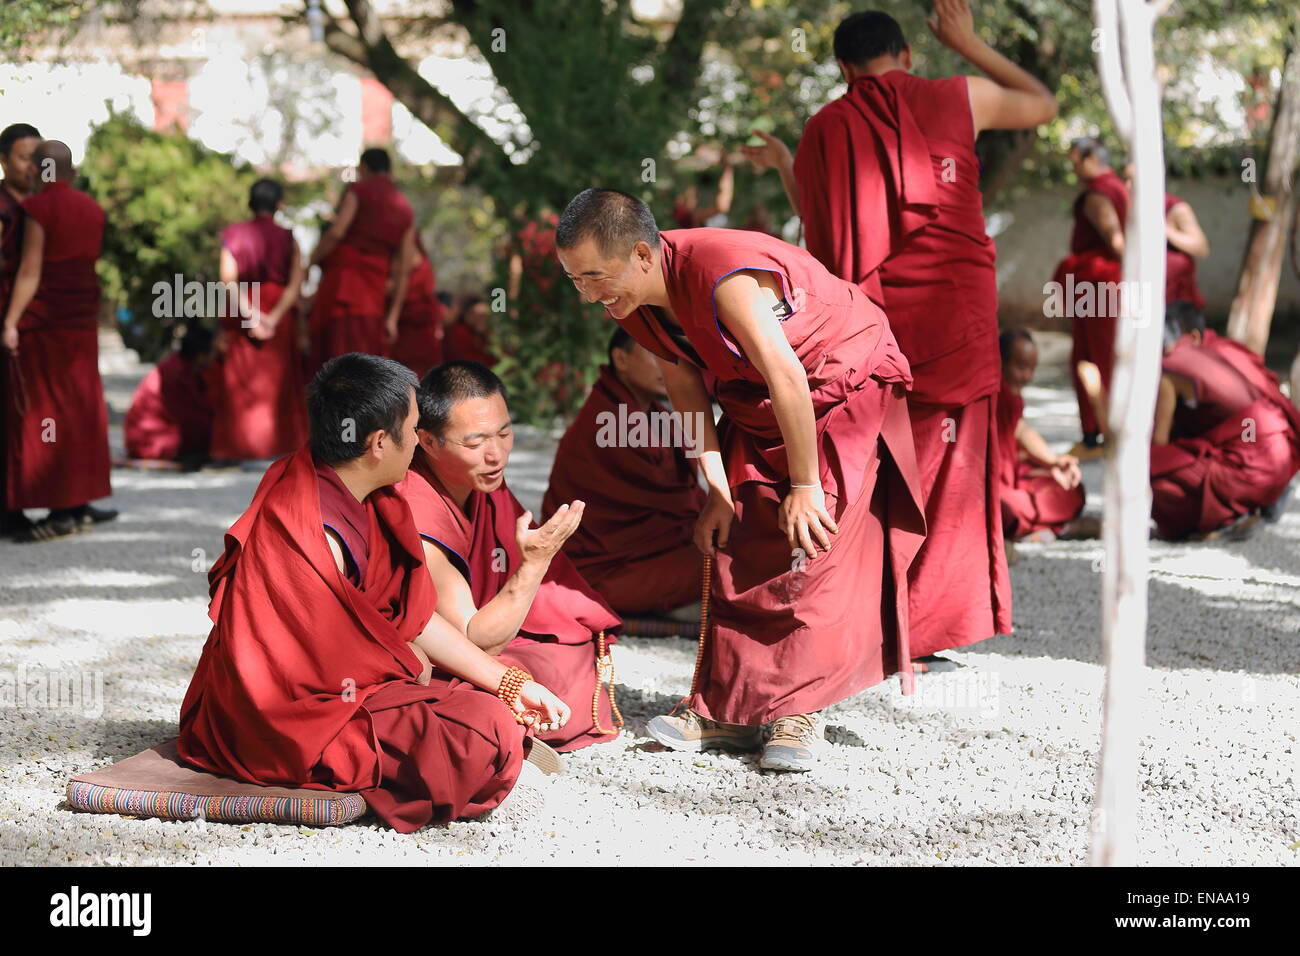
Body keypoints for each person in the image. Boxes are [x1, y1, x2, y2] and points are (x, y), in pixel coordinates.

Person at [556, 189, 926, 773]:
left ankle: (796, 712)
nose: (588, 294)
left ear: (642, 256)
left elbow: (787, 374)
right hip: (758, 400)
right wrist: (717, 489)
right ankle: (725, 710)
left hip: (833, 383)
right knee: (739, 538)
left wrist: (805, 484)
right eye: (576, 281)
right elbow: (686, 390)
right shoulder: (637, 306)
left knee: (813, 541)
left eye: (595, 276)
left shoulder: (717, 272)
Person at [743, 2, 1055, 666]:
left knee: (877, 464)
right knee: (952, 468)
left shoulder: (826, 127)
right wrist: (968, 43)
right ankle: (927, 622)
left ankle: (866, 617)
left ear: (842, 67)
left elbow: (827, 237)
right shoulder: (958, 97)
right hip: (958, 317)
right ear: (907, 54)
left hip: (877, 322)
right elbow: (1042, 103)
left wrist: (782, 166)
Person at [178, 353, 570, 832]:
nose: (418, 442)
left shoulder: (379, 499)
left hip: (359, 687)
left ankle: (485, 735)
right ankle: (486, 756)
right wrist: (409, 666)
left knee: (492, 690)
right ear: (380, 443)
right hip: (288, 719)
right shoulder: (306, 527)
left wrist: (509, 684)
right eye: (413, 427)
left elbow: (416, 618)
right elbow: (301, 671)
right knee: (479, 727)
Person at [395, 361, 624, 753]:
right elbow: (477, 641)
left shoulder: (481, 487)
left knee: (570, 654)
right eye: (475, 442)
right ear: (428, 442)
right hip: (441, 651)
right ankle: (497, 733)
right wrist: (535, 563)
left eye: (504, 433)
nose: (496, 454)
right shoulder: (417, 506)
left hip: (482, 636)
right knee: (504, 688)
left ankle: (511, 727)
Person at [543, 327, 707, 617]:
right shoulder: (603, 422)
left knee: (737, 546)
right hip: (601, 571)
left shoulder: (656, 414)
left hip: (655, 552)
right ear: (621, 359)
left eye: (671, 356)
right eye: (655, 356)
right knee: (727, 559)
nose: (668, 365)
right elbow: (671, 505)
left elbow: (682, 496)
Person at [1, 140, 116, 542]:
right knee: (78, 412)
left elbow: (31, 270)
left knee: (45, 415)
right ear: (72, 171)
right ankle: (77, 504)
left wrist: (11, 321)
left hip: (46, 324)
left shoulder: (37, 209)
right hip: (81, 322)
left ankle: (60, 509)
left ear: (38, 169)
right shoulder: (92, 209)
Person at [1150, 302, 1300, 539]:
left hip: (1252, 465)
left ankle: (1225, 517)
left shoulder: (1170, 367)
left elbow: (1159, 442)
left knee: (1153, 471)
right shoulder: (1225, 350)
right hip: (1285, 454)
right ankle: (1262, 498)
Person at [208, 178, 308, 462]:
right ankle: (276, 447)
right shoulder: (288, 237)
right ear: (279, 205)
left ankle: (238, 447)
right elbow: (296, 282)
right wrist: (273, 318)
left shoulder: (233, 234)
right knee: (278, 382)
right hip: (278, 311)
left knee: (241, 379)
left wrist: (251, 314)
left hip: (245, 307)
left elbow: (228, 279)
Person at [1053, 136, 1129, 457]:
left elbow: (1117, 242)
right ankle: (1097, 433)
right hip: (1104, 284)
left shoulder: (1098, 194)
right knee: (1099, 355)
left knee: (1093, 357)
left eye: (1075, 160)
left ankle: (1102, 434)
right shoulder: (1120, 188)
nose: (1073, 168)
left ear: (1089, 157)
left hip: (1099, 284)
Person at [308, 148, 415, 372]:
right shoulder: (405, 209)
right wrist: (393, 316)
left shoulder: (358, 190)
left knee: (334, 358)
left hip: (344, 282)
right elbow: (404, 268)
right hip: (373, 292)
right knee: (365, 363)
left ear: (364, 168)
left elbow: (337, 232)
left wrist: (311, 259)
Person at [996, 329, 1096, 542]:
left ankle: (1031, 527)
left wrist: (1054, 462)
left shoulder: (1012, 398)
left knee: (1071, 487)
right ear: (1000, 362)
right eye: (1021, 367)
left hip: (1012, 478)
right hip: (992, 488)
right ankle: (1054, 527)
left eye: (1032, 369)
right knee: (1001, 507)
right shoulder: (992, 394)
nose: (1027, 377)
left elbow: (1019, 429)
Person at [0, 122, 41, 537]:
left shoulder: (39, 205)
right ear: (3, 159)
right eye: (24, 158)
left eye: (36, 159)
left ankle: (16, 503)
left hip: (30, 320)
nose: (31, 168)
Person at [124, 325, 216, 467]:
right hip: (149, 442)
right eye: (212, 352)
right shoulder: (175, 374)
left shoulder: (184, 369)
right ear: (200, 355)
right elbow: (189, 420)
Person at [1122, 160, 1208, 310]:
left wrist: (1165, 230)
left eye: (1134, 180)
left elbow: (1201, 248)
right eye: (1125, 179)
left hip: (1175, 302)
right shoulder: (1125, 208)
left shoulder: (1174, 208)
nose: (1128, 185)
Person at [388, 234, 445, 378]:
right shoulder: (411, 256)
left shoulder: (407, 252)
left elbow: (392, 287)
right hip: (409, 330)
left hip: (417, 329)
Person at [443, 294, 497, 367]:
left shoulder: (481, 333)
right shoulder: (459, 333)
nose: (481, 319)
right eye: (477, 315)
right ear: (467, 314)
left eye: (484, 316)